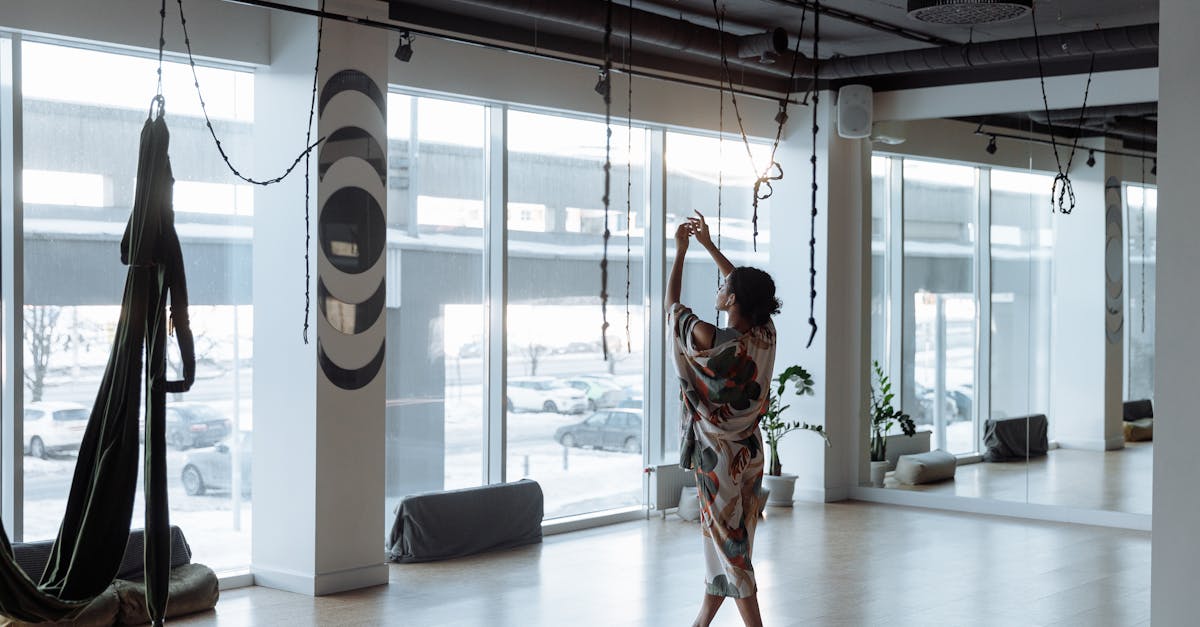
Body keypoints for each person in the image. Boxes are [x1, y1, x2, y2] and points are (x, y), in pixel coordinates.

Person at [667, 210, 780, 627]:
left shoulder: (710, 341)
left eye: (724, 287)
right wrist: (709, 246)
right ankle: (701, 622)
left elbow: (673, 309)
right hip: (748, 451)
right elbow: (748, 291)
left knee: (730, 547)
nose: (720, 286)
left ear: (732, 300)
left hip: (718, 459)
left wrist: (680, 252)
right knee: (726, 542)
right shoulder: (763, 334)